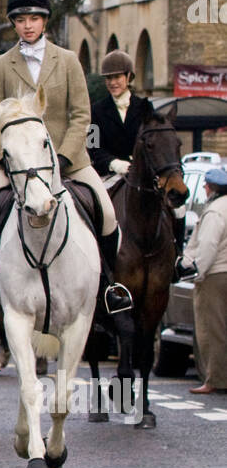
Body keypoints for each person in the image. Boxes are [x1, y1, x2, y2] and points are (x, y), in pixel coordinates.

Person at [0, 0, 132, 318]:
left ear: (44, 22)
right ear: (14, 24)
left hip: (69, 161)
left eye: (35, 18)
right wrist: (1, 158)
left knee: (107, 214)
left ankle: (110, 286)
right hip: (17, 165)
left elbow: (81, 115)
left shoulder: (67, 61)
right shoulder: (1, 64)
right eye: (21, 20)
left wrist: (62, 157)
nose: (28, 25)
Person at [90, 49, 186, 275]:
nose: (113, 82)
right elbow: (92, 147)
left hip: (143, 172)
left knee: (178, 209)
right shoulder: (95, 110)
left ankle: (178, 260)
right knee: (95, 209)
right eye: (109, 78)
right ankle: (98, 265)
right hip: (110, 173)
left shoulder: (145, 107)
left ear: (129, 77)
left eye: (118, 77)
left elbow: (153, 139)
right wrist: (115, 163)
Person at [179, 168, 227, 394]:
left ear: (210, 188)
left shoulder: (215, 211)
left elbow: (208, 246)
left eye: (206, 186)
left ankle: (215, 379)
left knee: (213, 329)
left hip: (216, 275)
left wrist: (199, 273)